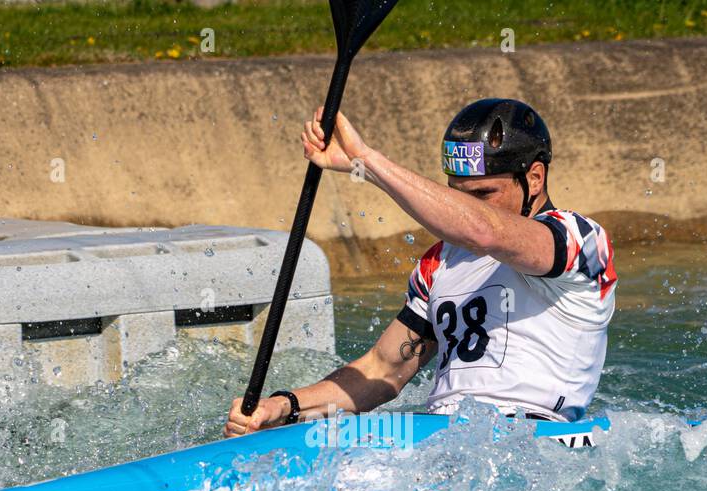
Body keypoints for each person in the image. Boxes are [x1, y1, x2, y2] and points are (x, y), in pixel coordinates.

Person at [224, 97, 616, 436]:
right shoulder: (440, 262)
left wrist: (367, 161)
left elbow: (484, 230)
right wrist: (283, 406)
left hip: (535, 437)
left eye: (483, 194)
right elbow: (382, 370)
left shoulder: (577, 240)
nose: (467, 206)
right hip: (441, 437)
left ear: (534, 178)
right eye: (457, 196)